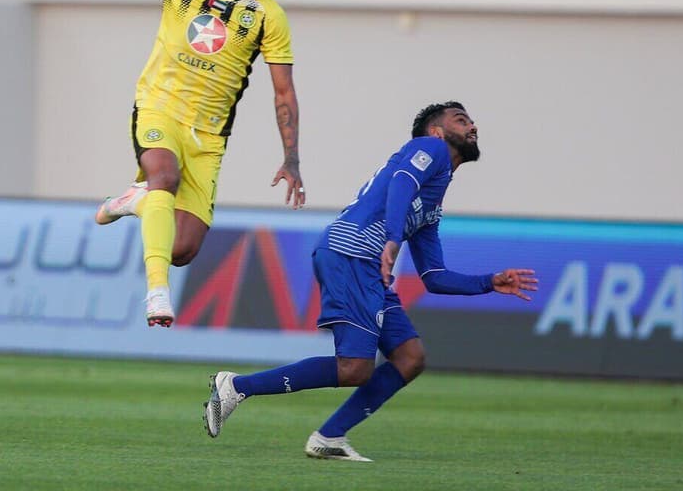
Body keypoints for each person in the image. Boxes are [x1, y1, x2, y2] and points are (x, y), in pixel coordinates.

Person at [202, 101, 537, 462]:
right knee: (354, 368)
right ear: (437, 132)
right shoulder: (430, 148)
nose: (472, 126)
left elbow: (434, 277)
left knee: (409, 357)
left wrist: (490, 282)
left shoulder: (432, 203)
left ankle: (330, 436)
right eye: (461, 120)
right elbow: (402, 181)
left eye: (471, 120)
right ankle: (237, 386)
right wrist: (392, 238)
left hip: (369, 268)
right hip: (352, 252)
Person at [94, 0, 306, 328]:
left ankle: (138, 201)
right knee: (163, 176)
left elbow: (283, 93)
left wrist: (291, 157)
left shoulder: (268, 16)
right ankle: (156, 295)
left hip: (208, 137)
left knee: (183, 249)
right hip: (159, 108)